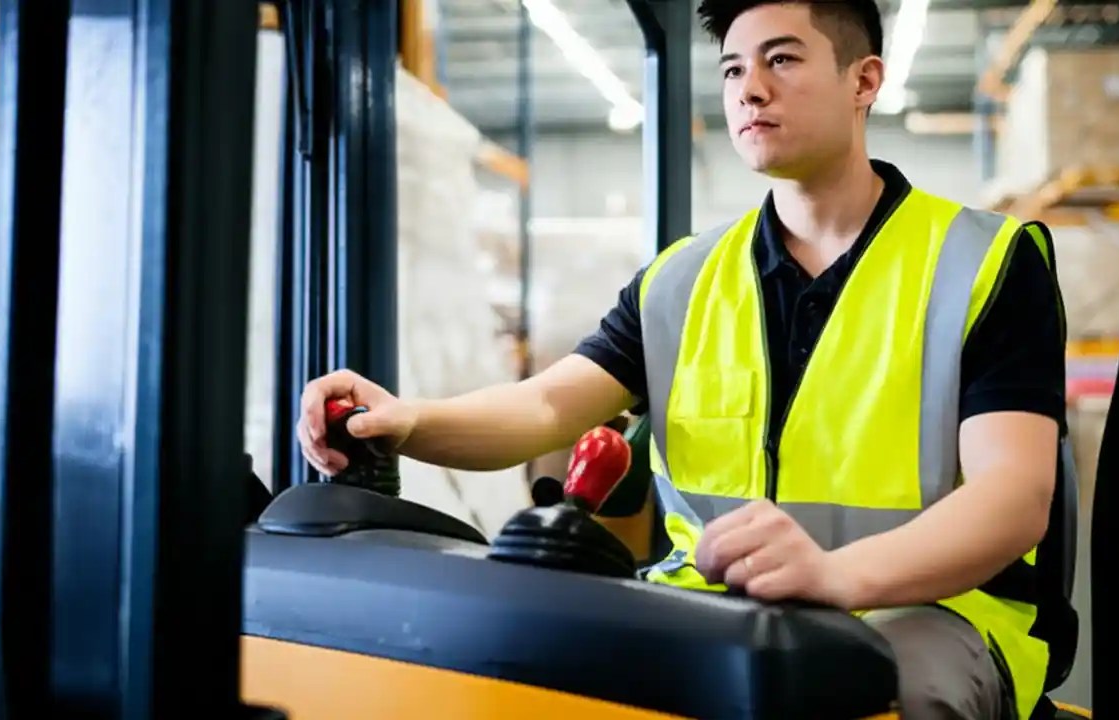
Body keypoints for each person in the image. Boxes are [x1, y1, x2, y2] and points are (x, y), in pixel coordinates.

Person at [296, 1, 1069, 718]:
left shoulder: (982, 262)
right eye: (733, 69)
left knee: (880, 692)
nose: (749, 91)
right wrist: (407, 419)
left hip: (923, 607)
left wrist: (841, 577)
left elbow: (1013, 495)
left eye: (782, 61)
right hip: (716, 600)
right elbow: (543, 408)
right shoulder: (682, 280)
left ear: (863, 80)